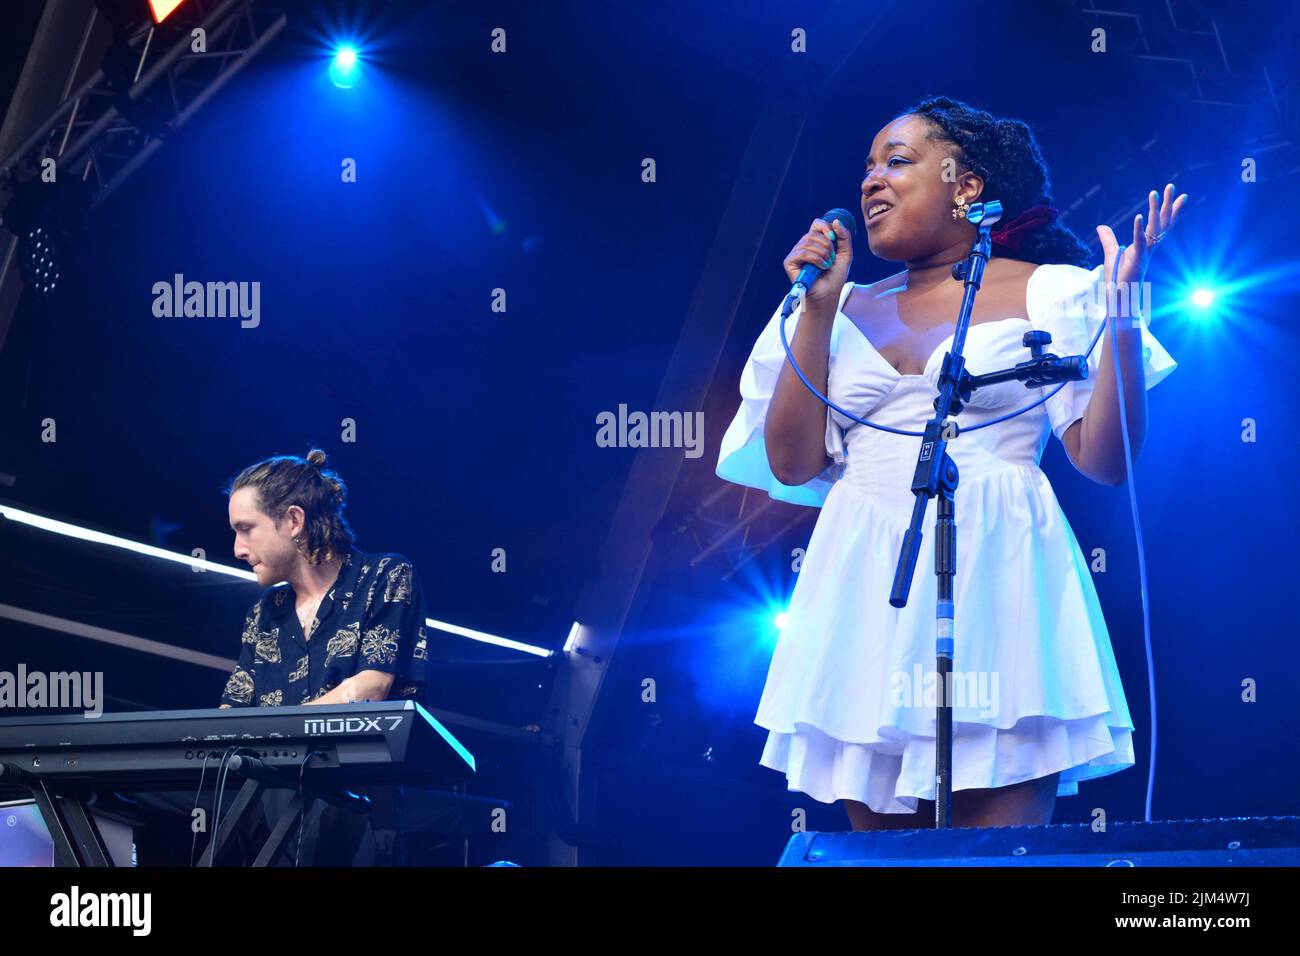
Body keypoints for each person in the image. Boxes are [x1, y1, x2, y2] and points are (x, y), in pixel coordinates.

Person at [716, 96, 1186, 831]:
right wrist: (817, 308)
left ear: (966, 186)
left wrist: (1122, 320)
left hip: (1000, 577)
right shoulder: (833, 311)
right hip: (864, 584)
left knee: (998, 855)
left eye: (895, 161)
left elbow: (1106, 462)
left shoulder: (1054, 291)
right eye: (867, 167)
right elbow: (791, 461)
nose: (870, 181)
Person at [215, 447, 430, 864]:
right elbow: (231, 710)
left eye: (246, 529)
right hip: (267, 811)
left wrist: (274, 729)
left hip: (355, 805)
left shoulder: (384, 577)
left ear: (294, 520)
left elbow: (372, 687)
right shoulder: (265, 613)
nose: (238, 548)